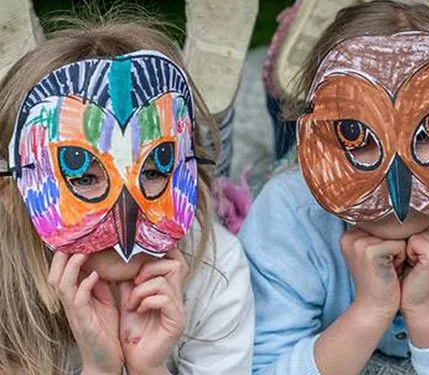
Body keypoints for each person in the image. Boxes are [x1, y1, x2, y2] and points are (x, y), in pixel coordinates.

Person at [240, 1, 429, 374]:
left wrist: (428, 311)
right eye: (357, 136)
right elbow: (260, 366)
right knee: (291, 120)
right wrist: (369, 311)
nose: (398, 184)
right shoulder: (287, 208)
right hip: (304, 171)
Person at [0, 15, 254, 375]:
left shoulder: (218, 269)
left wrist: (148, 368)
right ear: (12, 195)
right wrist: (99, 368)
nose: (127, 216)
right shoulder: (7, 289)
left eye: (154, 169)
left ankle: (217, 84)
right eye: (80, 174)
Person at [262, 0, 429, 160]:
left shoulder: (291, 199)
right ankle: (419, 23)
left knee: (295, 102)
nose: (396, 172)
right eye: (357, 133)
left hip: (320, 153)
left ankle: (419, 24)